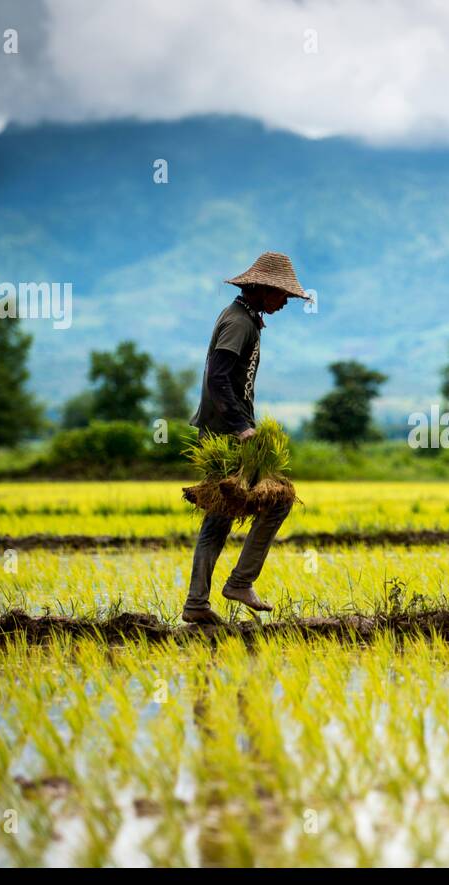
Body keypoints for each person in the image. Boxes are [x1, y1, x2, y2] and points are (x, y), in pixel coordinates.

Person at [181, 252, 308, 625]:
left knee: (218, 519)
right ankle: (240, 582)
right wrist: (241, 427)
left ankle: (197, 603)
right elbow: (217, 377)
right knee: (280, 499)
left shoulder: (245, 318)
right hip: (225, 433)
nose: (285, 301)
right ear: (262, 289)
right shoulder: (239, 322)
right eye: (281, 294)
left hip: (223, 429)